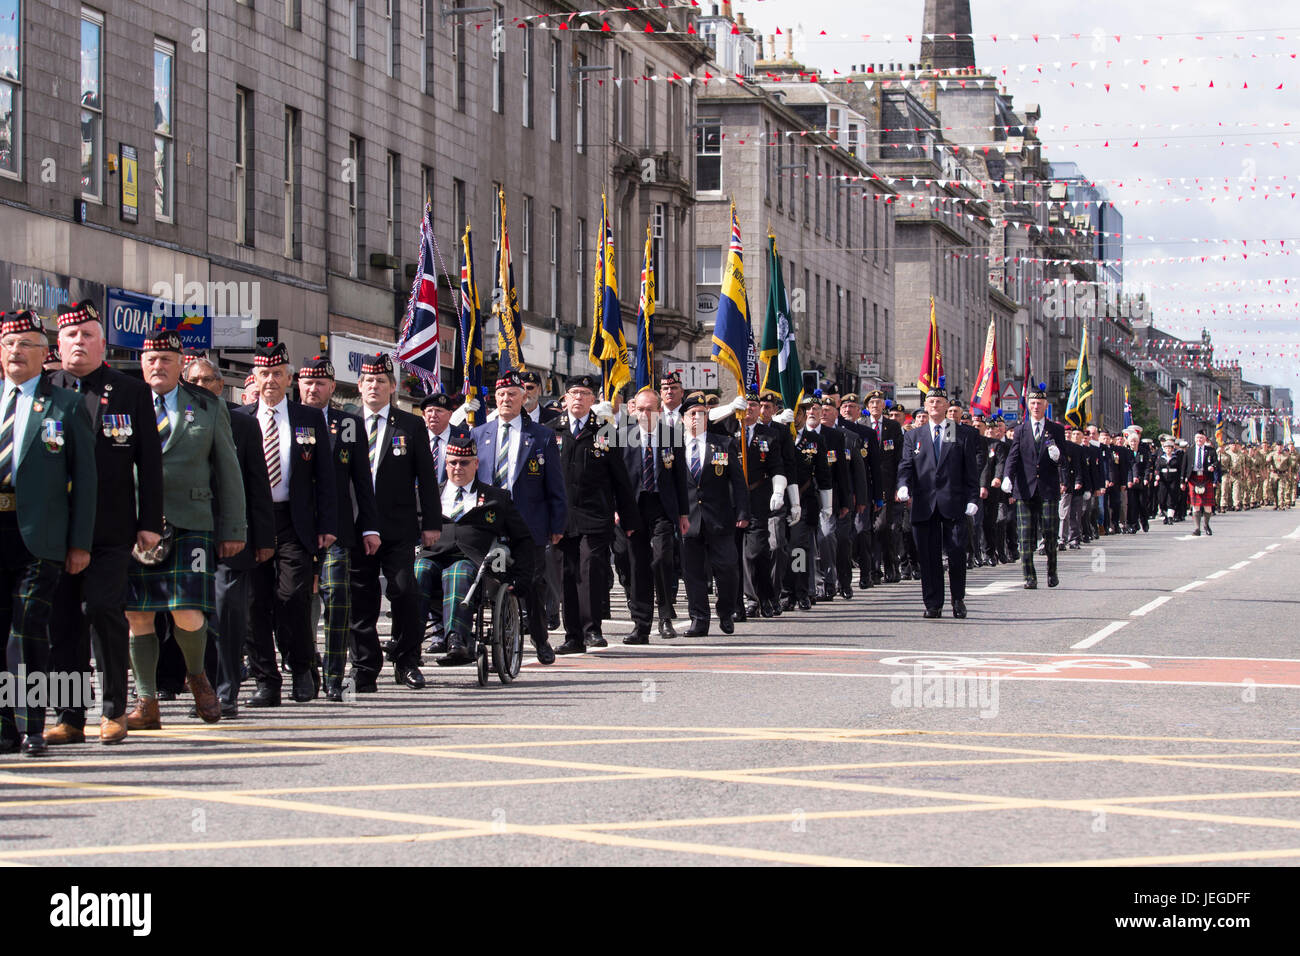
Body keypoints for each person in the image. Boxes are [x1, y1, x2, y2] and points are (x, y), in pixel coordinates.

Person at [45, 301, 163, 747]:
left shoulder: (129, 391)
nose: (79, 342)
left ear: (103, 342)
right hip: (56, 529)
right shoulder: (46, 389)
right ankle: (70, 716)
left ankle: (113, 709)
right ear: (58, 344)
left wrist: (150, 521)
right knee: (62, 622)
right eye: (71, 336)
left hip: (111, 528)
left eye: (88, 334)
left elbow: (149, 461)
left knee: (102, 610)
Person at [124, 329, 244, 731]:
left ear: (180, 365)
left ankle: (198, 677)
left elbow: (228, 470)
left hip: (191, 520)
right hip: (137, 522)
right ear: (142, 363)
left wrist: (233, 527)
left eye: (165, 360)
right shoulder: (124, 402)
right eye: (150, 359)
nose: (157, 367)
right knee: (137, 613)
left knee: (186, 611)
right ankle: (146, 702)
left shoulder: (208, 407)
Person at [0, 311, 96, 756]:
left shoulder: (66, 405)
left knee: (29, 629)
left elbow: (86, 480)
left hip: (39, 535)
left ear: (46, 354)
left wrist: (79, 543)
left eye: (26, 344)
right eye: (9, 344)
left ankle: (33, 724)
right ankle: (4, 727)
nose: (15, 352)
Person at [237, 343, 337, 706]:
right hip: (251, 524)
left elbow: (325, 478)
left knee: (292, 598)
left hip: (294, 522)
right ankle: (266, 679)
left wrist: (327, 524)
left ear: (289, 379)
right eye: (265, 374)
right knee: (253, 603)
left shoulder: (307, 418)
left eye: (278, 374)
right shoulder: (241, 418)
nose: (271, 381)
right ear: (255, 377)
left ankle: (302, 667)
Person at [182, 357, 274, 718]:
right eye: (195, 381)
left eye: (209, 380)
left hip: (232, 537)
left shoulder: (243, 424)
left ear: (222, 386)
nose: (202, 386)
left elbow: (257, 484)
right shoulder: (177, 421)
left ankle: (227, 692)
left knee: (228, 613)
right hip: (189, 533)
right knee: (196, 615)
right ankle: (202, 691)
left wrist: (264, 538)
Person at [348, 353, 441, 691]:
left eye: (382, 381)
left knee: (404, 590)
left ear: (393, 388)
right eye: (369, 381)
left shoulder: (410, 425)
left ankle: (406, 660)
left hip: (398, 526)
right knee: (362, 599)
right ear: (360, 386)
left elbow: (427, 479)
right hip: (357, 526)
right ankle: (364, 667)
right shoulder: (345, 422)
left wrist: (431, 522)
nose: (375, 386)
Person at [297, 356, 380, 702]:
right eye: (307, 382)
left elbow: (363, 480)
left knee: (339, 600)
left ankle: (334, 677)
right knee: (295, 603)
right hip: (297, 527)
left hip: (338, 530)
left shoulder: (348, 424)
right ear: (298, 385)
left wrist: (369, 527)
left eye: (320, 383)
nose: (313, 389)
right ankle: (303, 671)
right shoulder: (287, 419)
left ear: (333, 387)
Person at [468, 370, 561, 664]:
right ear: (494, 398)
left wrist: (556, 524)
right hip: (486, 520)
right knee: (480, 578)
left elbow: (555, 485)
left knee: (531, 583)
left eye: (512, 394)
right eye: (501, 394)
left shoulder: (541, 436)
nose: (506, 399)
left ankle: (539, 638)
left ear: (524, 397)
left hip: (528, 522)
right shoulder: (478, 434)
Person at [422, 437, 538, 654]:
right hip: (432, 557)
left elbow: (522, 539)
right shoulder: (430, 496)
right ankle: (408, 639)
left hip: (472, 564)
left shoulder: (497, 498)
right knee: (418, 571)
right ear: (445, 464)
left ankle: (456, 639)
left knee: (457, 572)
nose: (458, 468)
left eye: (464, 463)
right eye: (453, 462)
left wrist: (521, 578)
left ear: (476, 464)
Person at [551, 375, 640, 654]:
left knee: (590, 569)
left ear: (593, 400)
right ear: (565, 399)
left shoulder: (606, 431)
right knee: (567, 574)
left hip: (595, 514)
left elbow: (620, 480)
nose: (578, 397)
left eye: (585, 393)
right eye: (574, 392)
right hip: (562, 517)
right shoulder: (549, 431)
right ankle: (572, 635)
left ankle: (592, 630)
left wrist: (629, 519)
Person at [895, 387, 980, 618]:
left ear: (946, 406)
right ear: (925, 405)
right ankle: (933, 603)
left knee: (956, 553)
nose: (934, 405)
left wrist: (973, 498)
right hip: (924, 503)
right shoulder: (914, 435)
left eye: (939, 401)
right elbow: (906, 466)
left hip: (953, 502)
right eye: (931, 401)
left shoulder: (959, 433)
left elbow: (970, 471)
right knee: (928, 556)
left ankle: (958, 599)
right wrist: (903, 485)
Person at [619, 386, 687, 643]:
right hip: (634, 507)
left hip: (661, 506)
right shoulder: (622, 436)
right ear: (634, 410)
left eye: (651, 409)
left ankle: (665, 617)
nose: (646, 414)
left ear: (659, 411)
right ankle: (641, 625)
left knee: (661, 559)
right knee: (637, 566)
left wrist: (683, 513)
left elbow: (680, 477)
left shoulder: (672, 436)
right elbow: (618, 479)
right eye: (641, 409)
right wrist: (618, 510)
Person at [680, 394, 750, 635]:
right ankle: (699, 619)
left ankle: (726, 609)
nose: (698, 417)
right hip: (687, 519)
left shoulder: (723, 443)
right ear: (683, 419)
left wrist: (742, 511)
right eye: (693, 413)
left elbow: (738, 482)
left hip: (720, 517)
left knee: (728, 568)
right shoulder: (674, 446)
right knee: (693, 573)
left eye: (703, 413)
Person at [1003, 385, 1066, 589]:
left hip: (1048, 488)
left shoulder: (1056, 429)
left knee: (1049, 532)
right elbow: (1013, 457)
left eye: (1039, 403)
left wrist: (1058, 457)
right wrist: (1007, 477)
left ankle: (1052, 570)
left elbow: (1063, 458)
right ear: (1028, 406)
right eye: (1033, 403)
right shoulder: (1021, 430)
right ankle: (1029, 576)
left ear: (1045, 405)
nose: (1036, 406)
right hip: (1025, 488)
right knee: (1025, 534)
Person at [863, 390, 905, 583]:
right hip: (866, 485)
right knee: (866, 529)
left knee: (882, 527)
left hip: (887, 485)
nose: (875, 405)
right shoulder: (861, 426)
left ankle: (890, 565)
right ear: (867, 407)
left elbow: (900, 459)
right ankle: (873, 570)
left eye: (878, 402)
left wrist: (899, 485)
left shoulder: (893, 427)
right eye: (872, 402)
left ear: (883, 406)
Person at [1183, 430, 1219, 536]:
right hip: (1193, 478)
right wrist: (1182, 480)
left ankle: (1206, 524)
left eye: (1201, 438)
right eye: (1197, 438)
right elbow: (1184, 466)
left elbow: (1216, 462)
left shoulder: (1211, 450)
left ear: (1205, 439)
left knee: (1208, 506)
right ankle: (1197, 528)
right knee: (1195, 505)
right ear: (1195, 439)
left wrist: (1213, 466)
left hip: (1206, 477)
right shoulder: (1189, 451)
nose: (1199, 440)